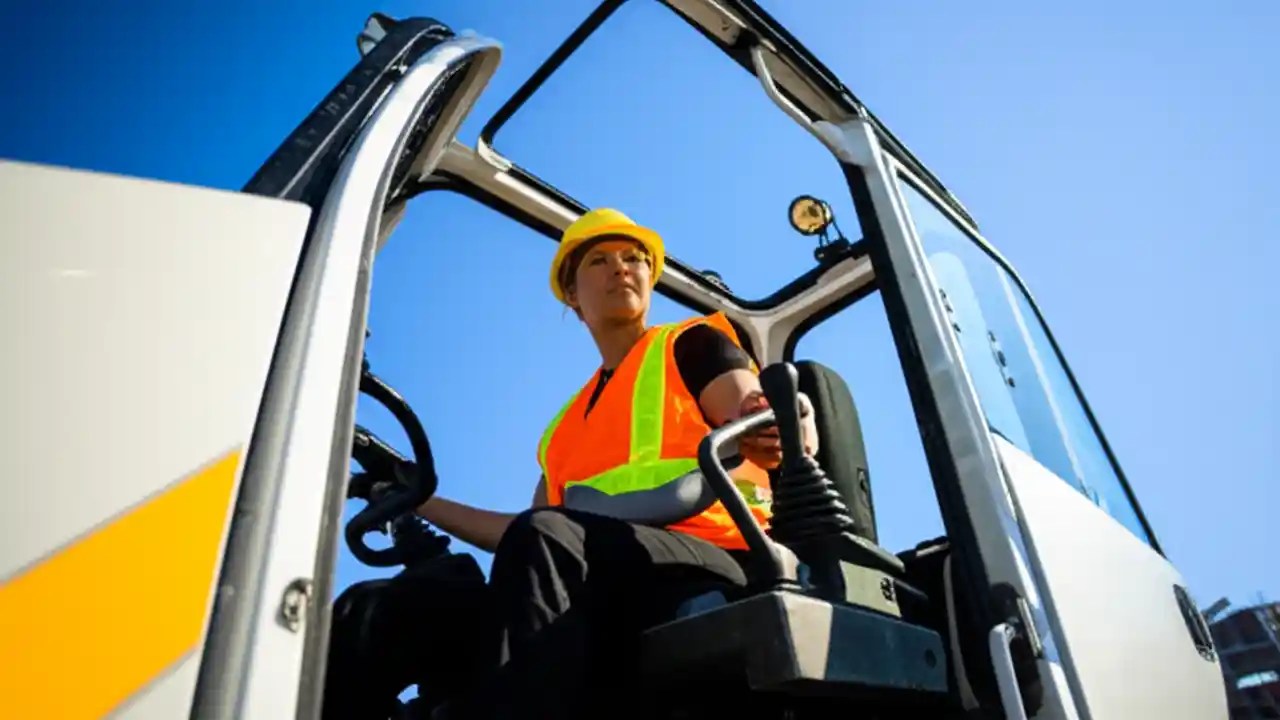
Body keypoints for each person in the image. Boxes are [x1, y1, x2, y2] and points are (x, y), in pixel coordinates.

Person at [414, 208, 819, 719]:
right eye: (600, 261)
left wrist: (780, 424)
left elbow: (761, 414)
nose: (621, 269)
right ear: (573, 299)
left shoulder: (691, 345)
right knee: (417, 604)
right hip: (609, 565)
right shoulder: (563, 428)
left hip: (719, 557)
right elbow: (519, 533)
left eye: (633, 259)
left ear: (650, 281)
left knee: (546, 541)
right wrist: (421, 500)